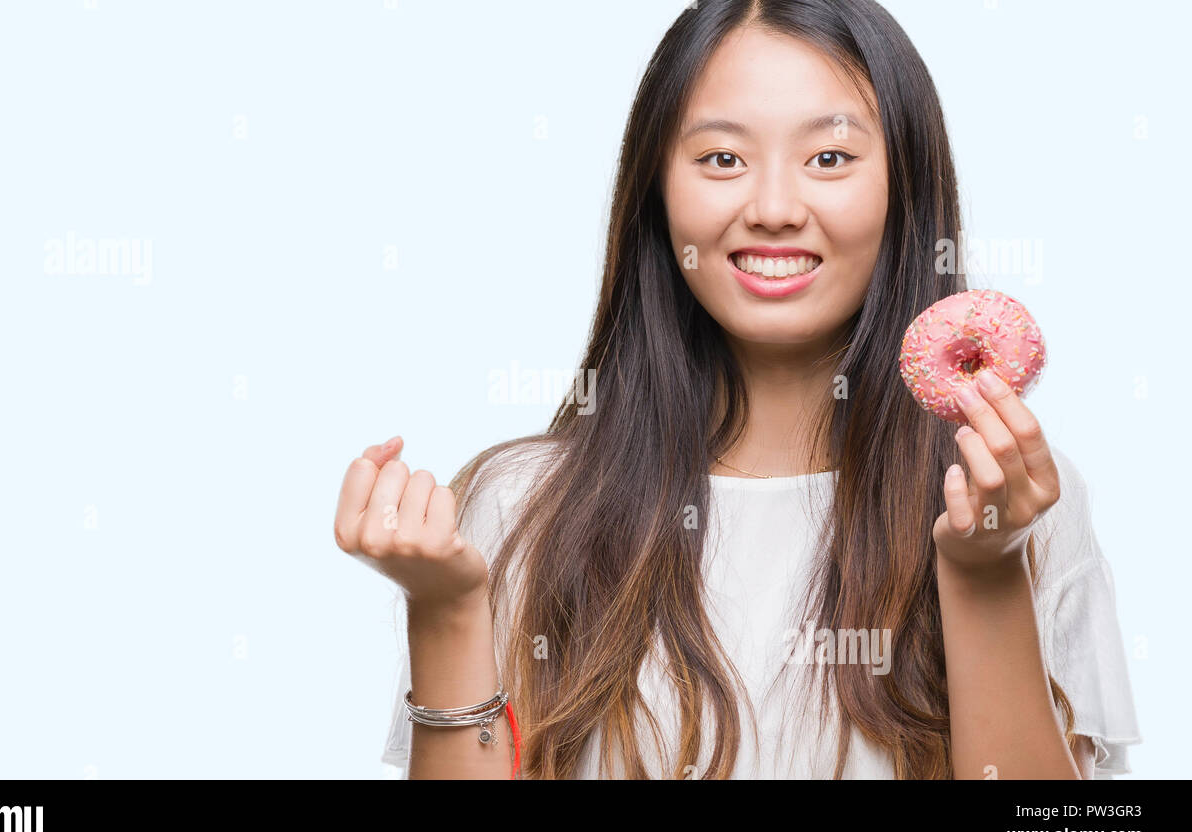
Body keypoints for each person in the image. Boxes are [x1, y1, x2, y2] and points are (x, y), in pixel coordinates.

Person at [334, 0, 1140, 779]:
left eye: (829, 158)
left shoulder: (1019, 502)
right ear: (656, 189)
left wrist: (985, 569)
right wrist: (443, 612)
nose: (774, 208)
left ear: (906, 185)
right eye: (722, 158)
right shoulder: (520, 507)